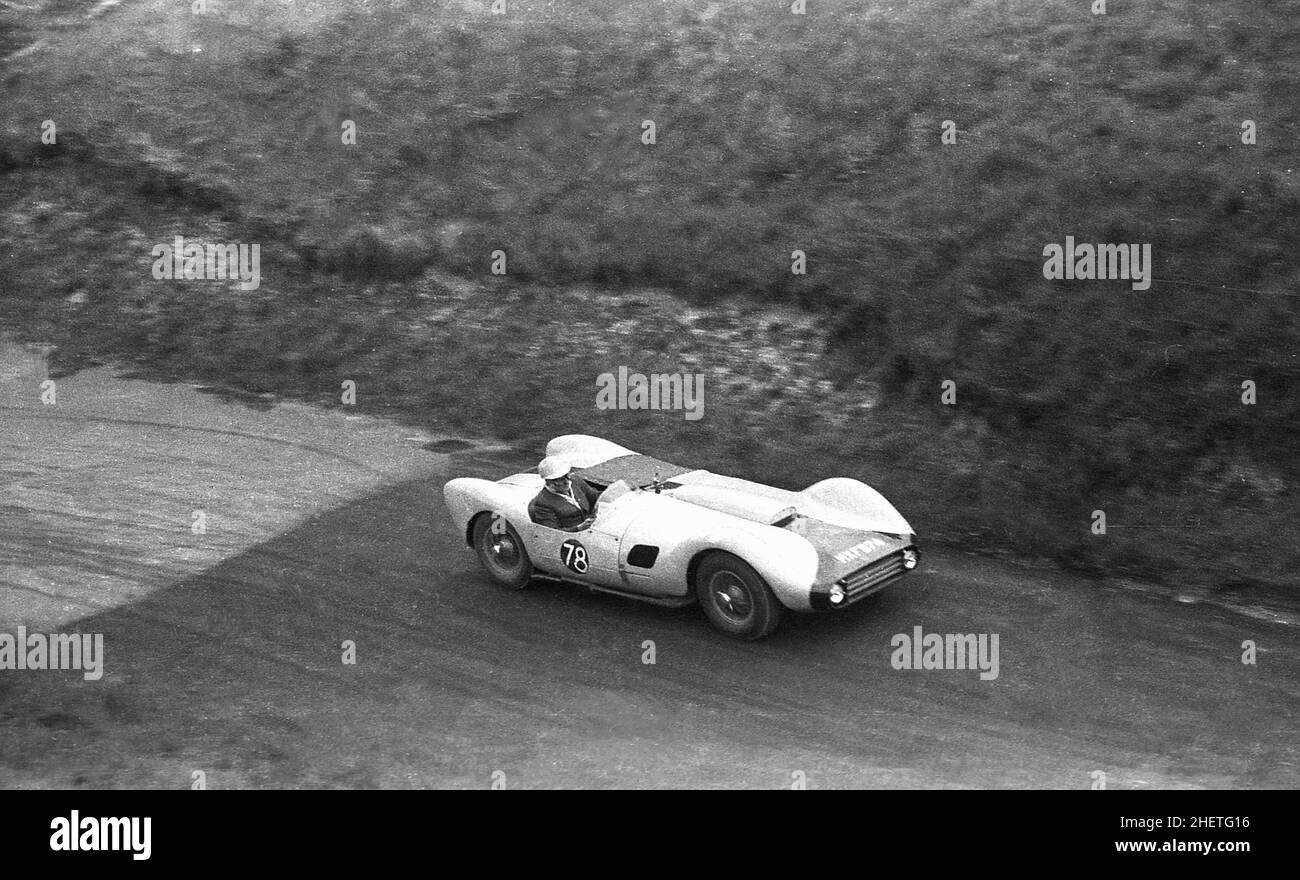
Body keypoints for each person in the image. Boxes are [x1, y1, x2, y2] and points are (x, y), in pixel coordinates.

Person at [528, 457, 602, 531]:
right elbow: (553, 532)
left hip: (595, 527)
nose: (567, 481)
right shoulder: (542, 503)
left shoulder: (575, 481)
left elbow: (595, 496)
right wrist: (579, 528)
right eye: (561, 478)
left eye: (567, 475)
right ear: (550, 482)